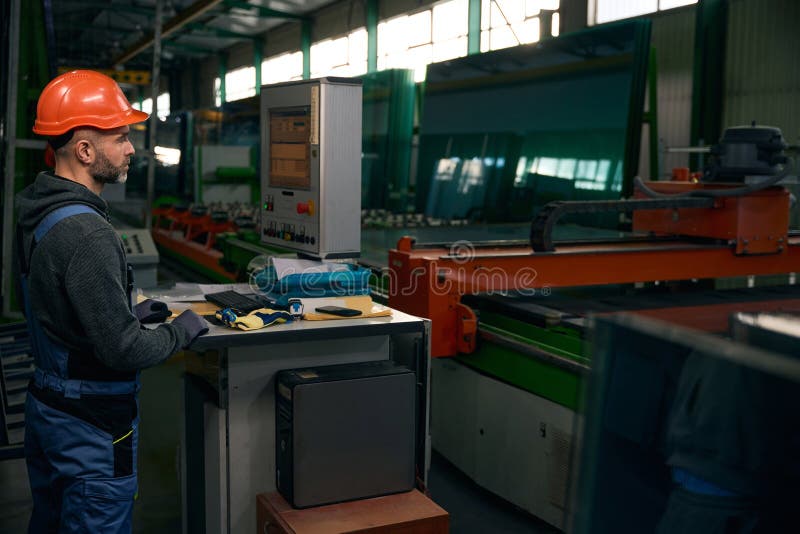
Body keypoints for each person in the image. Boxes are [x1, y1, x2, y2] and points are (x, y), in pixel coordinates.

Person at [14, 70, 209, 533]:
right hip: (91, 425)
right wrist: (182, 329)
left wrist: (124, 313)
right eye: (120, 137)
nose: (131, 149)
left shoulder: (36, 212)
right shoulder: (88, 234)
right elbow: (125, 351)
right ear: (84, 150)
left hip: (48, 408)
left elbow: (55, 305)